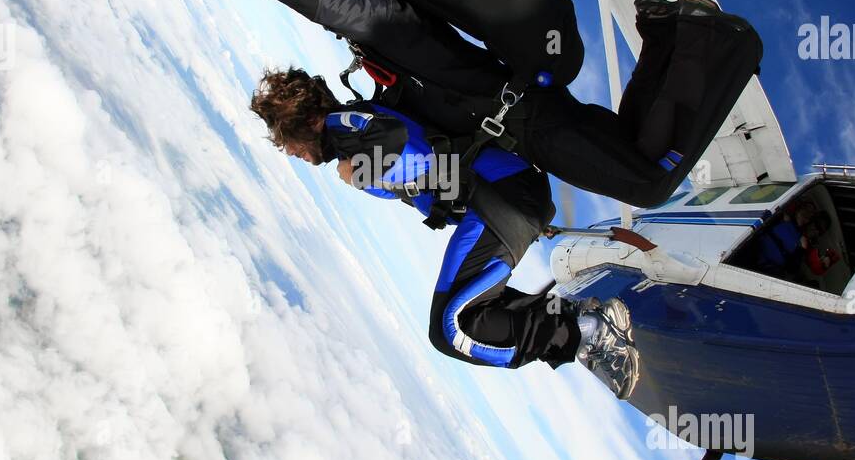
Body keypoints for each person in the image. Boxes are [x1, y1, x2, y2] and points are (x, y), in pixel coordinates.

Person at [179, 0, 764, 211]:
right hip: (530, 114)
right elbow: (436, 51)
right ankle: (666, 37)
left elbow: (319, 2)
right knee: (640, 148)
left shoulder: (379, 19)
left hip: (533, 126)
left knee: (650, 184)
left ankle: (695, 39)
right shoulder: (397, 18)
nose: (338, 21)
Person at [249, 66, 640, 396]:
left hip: (503, 198)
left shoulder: (342, 126)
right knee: (466, 315)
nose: (292, 153)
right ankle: (574, 320)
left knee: (455, 327)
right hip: (502, 198)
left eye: (288, 141)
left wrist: (359, 174)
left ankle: (588, 332)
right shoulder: (348, 128)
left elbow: (403, 149)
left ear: (308, 121)